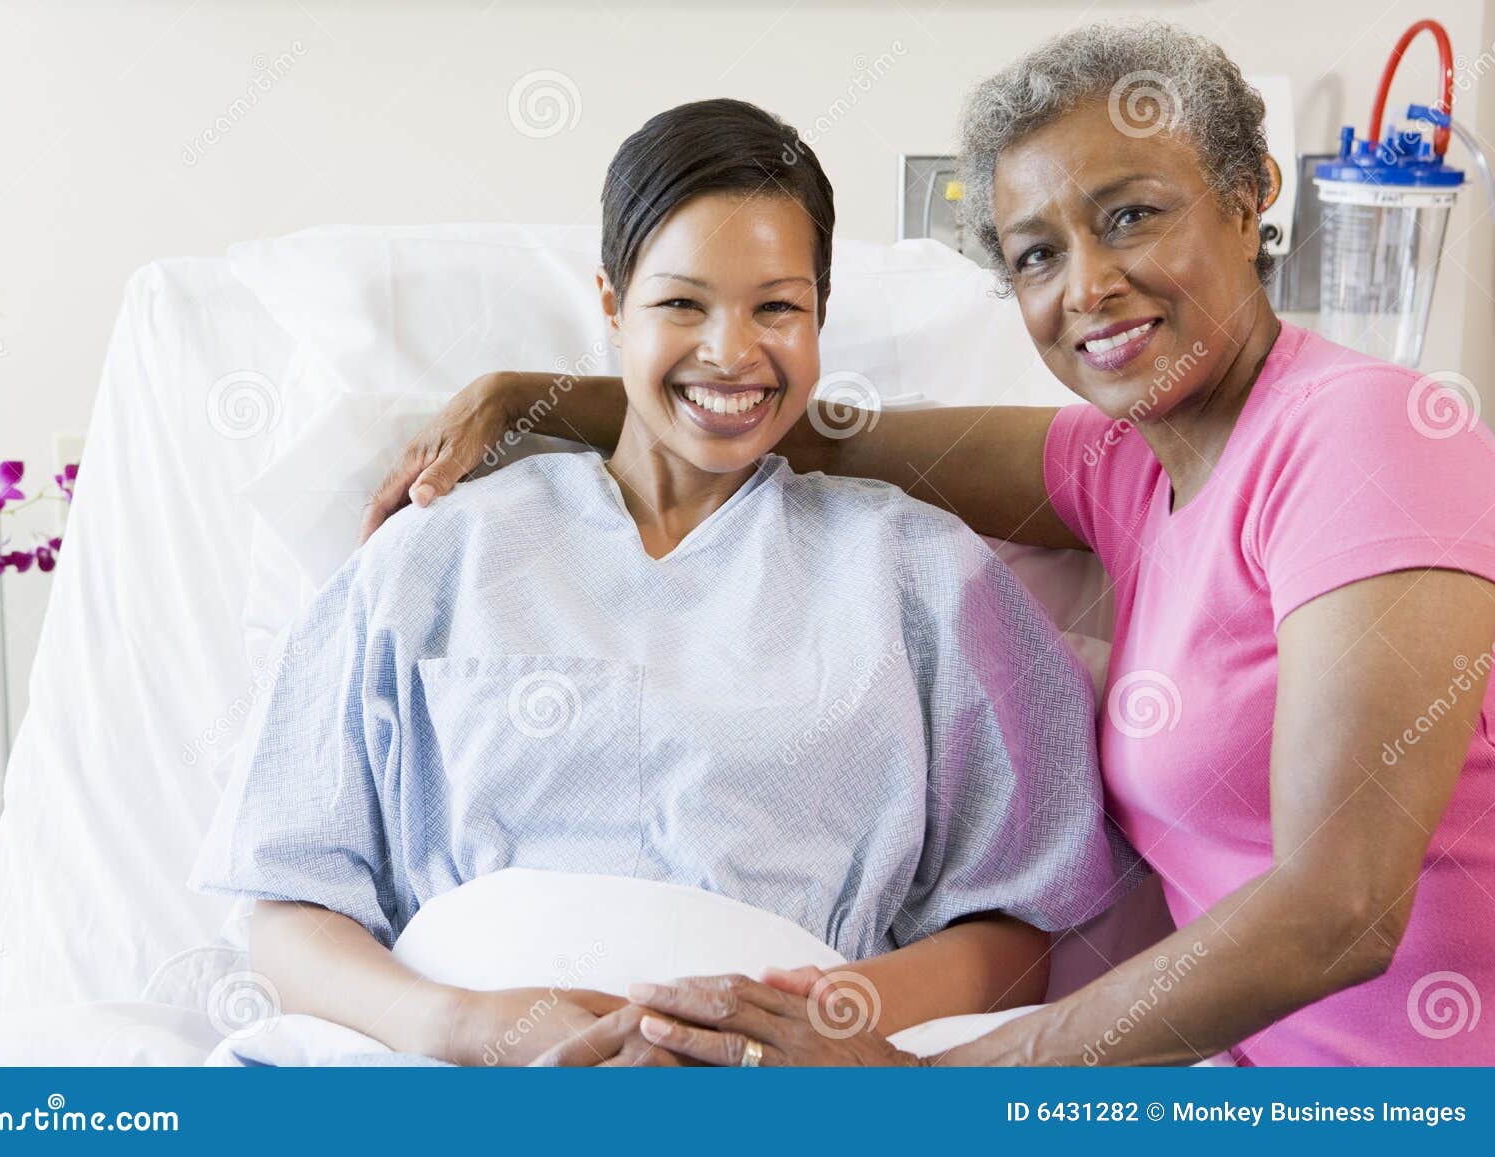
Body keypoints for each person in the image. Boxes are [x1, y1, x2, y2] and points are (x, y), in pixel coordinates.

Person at [365, 25, 1495, 1066]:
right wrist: (545, 396)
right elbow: (818, 431)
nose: (1087, 285)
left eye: (1131, 215)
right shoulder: (1128, 465)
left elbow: (1338, 907)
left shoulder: (1361, 433)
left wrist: (924, 1085)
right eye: (1034, 255)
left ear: (1249, 201)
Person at [191, 98, 1135, 1067]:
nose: (731, 352)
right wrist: (468, 1028)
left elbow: (1019, 922)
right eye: (681, 303)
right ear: (610, 302)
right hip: (448, 1067)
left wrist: (814, 1025)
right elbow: (287, 903)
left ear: (819, 312)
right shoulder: (433, 555)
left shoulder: (923, 572)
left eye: (777, 306)